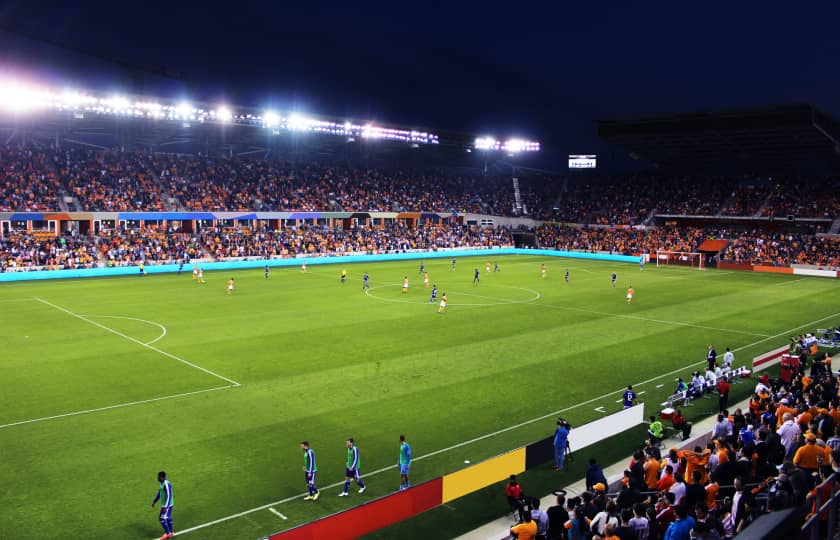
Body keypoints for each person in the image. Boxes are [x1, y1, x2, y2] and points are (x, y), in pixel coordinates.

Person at [151, 471, 174, 539]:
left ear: (162, 477)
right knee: (166, 517)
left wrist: (166, 507)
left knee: (162, 519)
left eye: (158, 477)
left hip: (168, 505)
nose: (157, 478)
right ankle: (171, 532)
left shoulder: (166, 484)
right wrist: (155, 501)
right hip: (165, 504)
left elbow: (169, 495)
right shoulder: (162, 483)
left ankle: (167, 533)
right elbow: (160, 492)